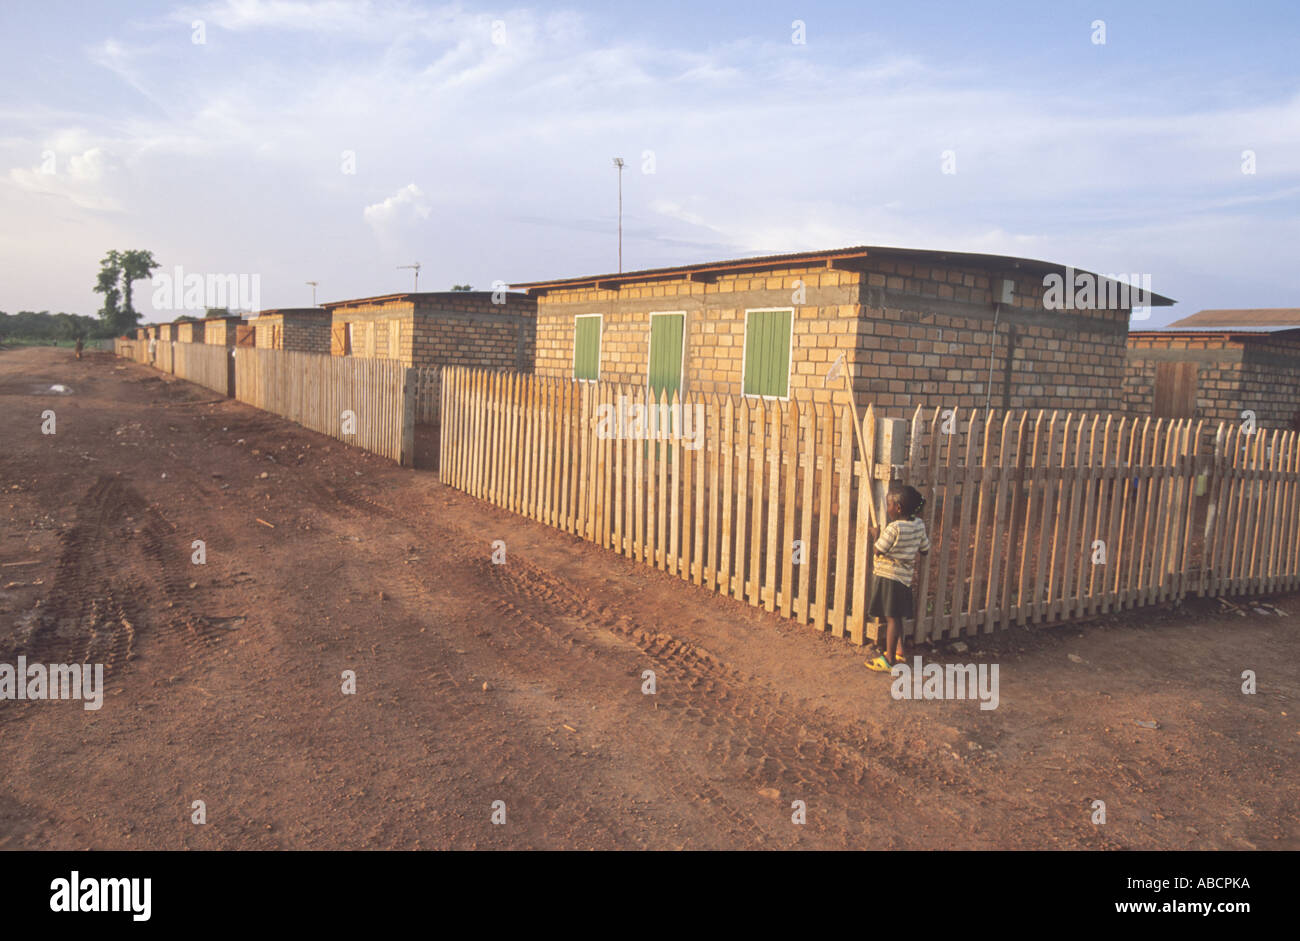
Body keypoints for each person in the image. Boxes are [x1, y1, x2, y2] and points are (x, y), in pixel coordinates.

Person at [864, 483, 930, 672]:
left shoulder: (894, 529)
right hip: (904, 579)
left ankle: (889, 659)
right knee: (897, 617)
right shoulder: (918, 525)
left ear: (898, 508)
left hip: (889, 578)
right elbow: (925, 550)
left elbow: (878, 550)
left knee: (891, 618)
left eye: (889, 504)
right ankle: (900, 652)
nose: (887, 508)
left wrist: (876, 535)